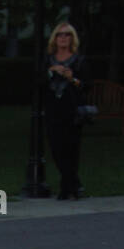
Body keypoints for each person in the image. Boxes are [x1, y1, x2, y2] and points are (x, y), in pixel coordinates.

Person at [45, 22, 89, 200]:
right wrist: (51, 71)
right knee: (56, 148)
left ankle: (67, 188)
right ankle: (74, 184)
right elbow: (39, 81)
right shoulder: (48, 59)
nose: (63, 38)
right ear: (54, 39)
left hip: (72, 108)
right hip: (53, 108)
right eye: (59, 35)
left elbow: (86, 85)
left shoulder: (79, 60)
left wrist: (73, 79)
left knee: (71, 148)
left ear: (72, 38)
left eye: (67, 35)